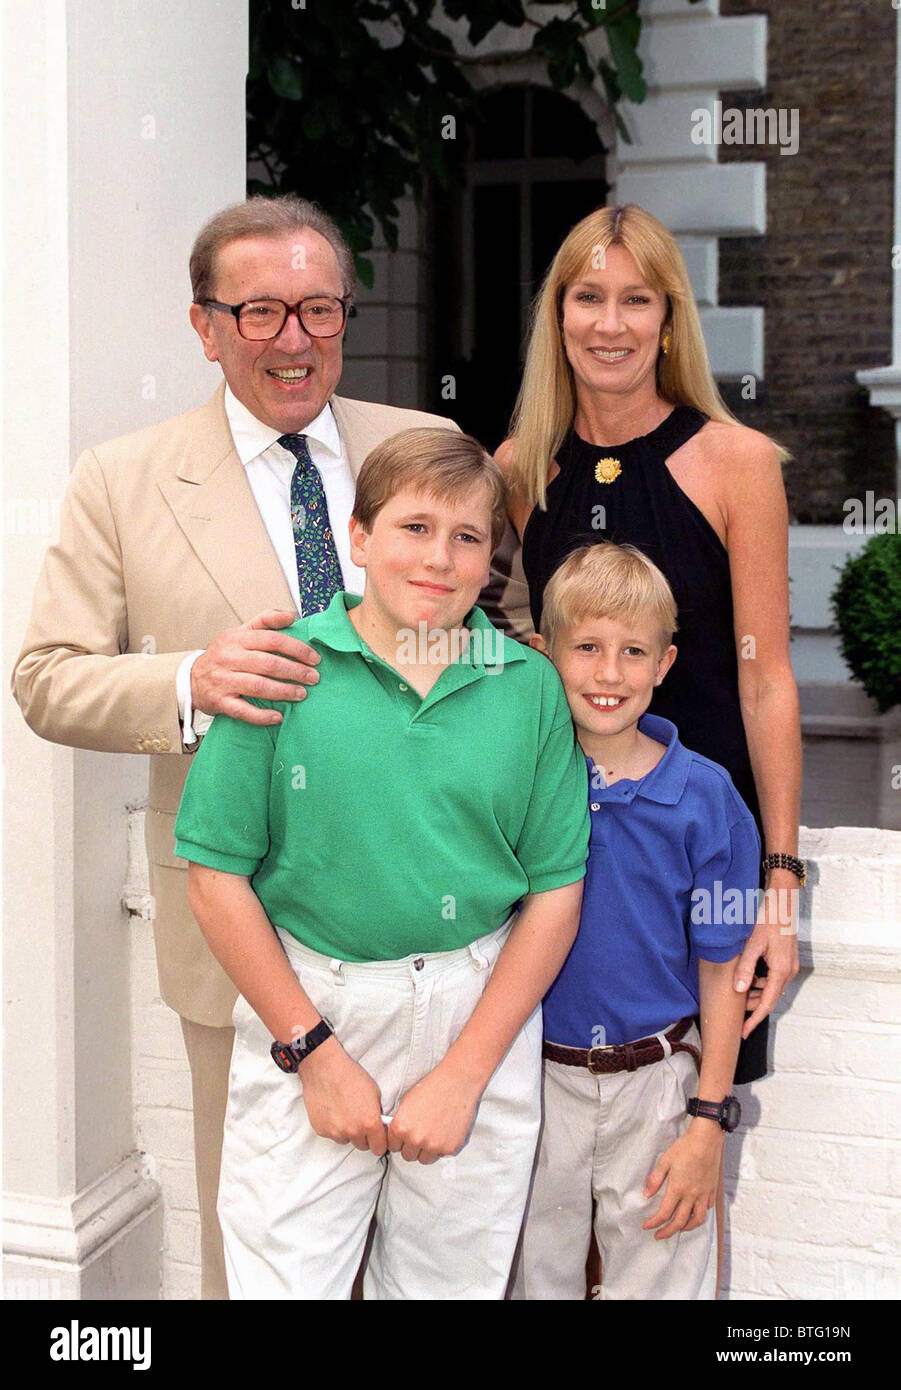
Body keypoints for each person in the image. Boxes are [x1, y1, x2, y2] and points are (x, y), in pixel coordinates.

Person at [10, 194, 462, 1299]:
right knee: (256, 1245)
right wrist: (186, 680)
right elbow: (44, 677)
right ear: (204, 326)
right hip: (239, 923)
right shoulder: (121, 478)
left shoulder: (430, 451)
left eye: (317, 308)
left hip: (438, 921)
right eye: (258, 312)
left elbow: (504, 648)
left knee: (437, 1235)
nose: (293, 339)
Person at [172, 428, 589, 1299]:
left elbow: (554, 892)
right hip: (313, 1006)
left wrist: (464, 1075)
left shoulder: (526, 686)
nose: (439, 558)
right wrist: (314, 1053)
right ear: (358, 538)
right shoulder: (284, 670)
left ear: (491, 560)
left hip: (477, 1011)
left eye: (467, 537)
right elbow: (214, 876)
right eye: (414, 527)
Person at [489, 202, 803, 1089]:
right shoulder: (524, 466)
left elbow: (766, 684)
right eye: (587, 296)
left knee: (688, 1131)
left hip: (706, 851)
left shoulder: (735, 462)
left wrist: (777, 889)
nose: (610, 323)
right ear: (557, 315)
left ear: (668, 320)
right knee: (556, 1133)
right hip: (563, 855)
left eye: (637, 300)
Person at [512, 541, 760, 1300]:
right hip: (527, 1079)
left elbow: (722, 968)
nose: (609, 673)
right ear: (543, 651)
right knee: (527, 1283)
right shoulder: (516, 776)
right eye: (585, 647)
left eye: (632, 651)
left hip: (657, 1086)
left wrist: (708, 1120)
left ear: (665, 662)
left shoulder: (708, 799)